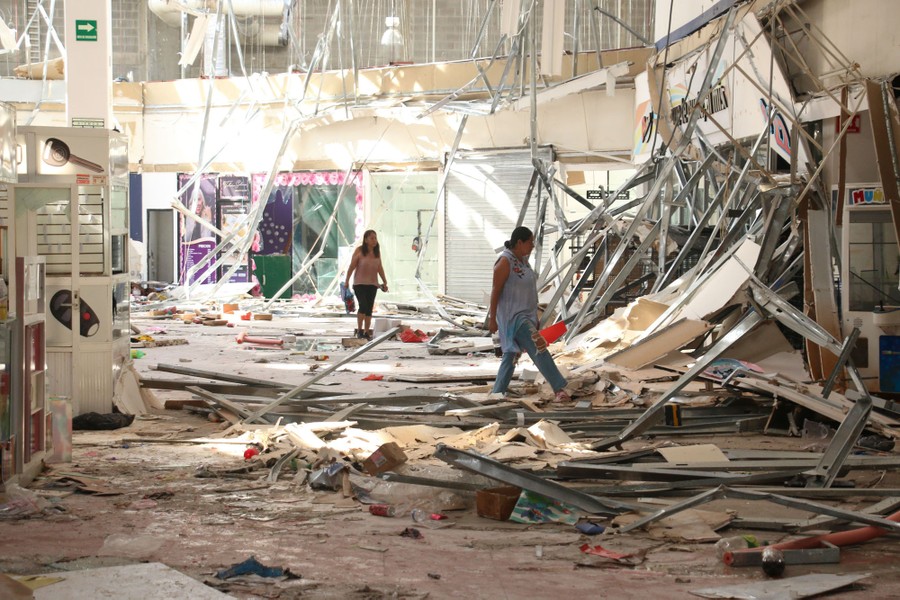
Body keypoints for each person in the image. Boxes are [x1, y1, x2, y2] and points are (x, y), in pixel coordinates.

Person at [488, 226, 570, 402]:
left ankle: (498, 391)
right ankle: (559, 388)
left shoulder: (523, 261)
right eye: (530, 242)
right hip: (513, 317)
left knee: (511, 354)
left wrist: (534, 317)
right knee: (538, 347)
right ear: (519, 242)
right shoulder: (504, 262)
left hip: (526, 315)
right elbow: (495, 291)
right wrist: (492, 318)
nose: (533, 246)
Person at [345, 229, 389, 340]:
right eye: (372, 238)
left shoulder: (376, 252)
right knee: (363, 305)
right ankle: (359, 329)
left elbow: (380, 267)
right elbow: (352, 266)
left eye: (375, 238)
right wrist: (347, 280)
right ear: (366, 240)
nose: (374, 240)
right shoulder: (359, 251)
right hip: (359, 283)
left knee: (369, 308)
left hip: (373, 284)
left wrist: (384, 281)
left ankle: (366, 331)